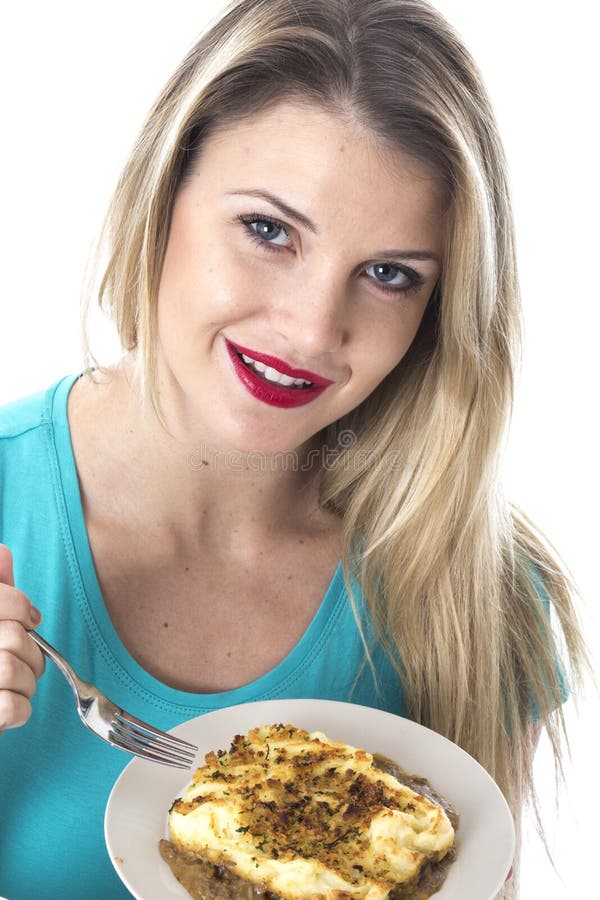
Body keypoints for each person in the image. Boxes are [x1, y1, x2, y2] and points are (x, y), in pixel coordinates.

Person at [0, 0, 588, 897]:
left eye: (389, 275)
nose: (312, 330)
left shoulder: (482, 594)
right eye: (270, 231)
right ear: (162, 199)